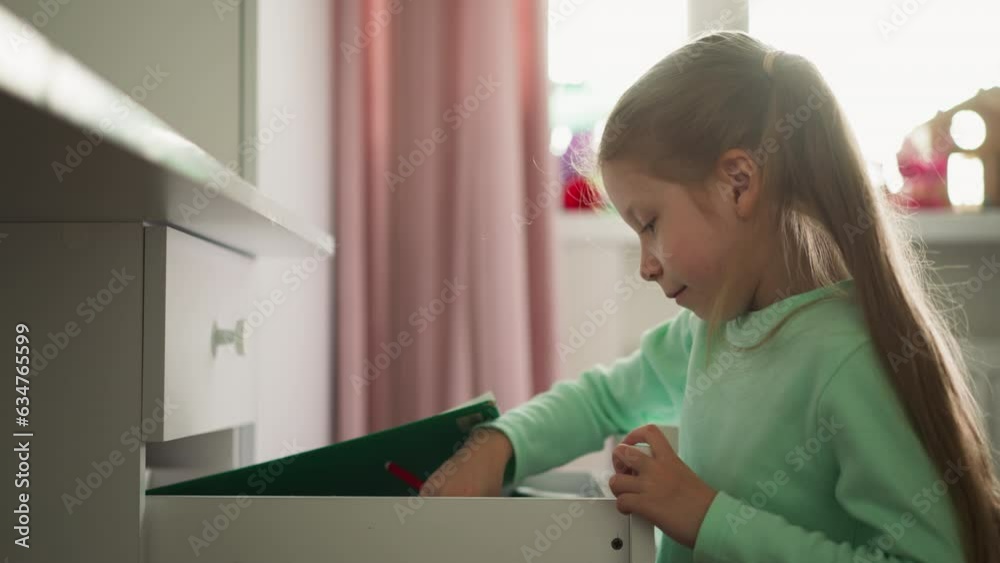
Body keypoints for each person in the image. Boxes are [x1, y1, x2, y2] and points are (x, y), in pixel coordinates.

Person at [421, 31, 1000, 563]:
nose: (645, 265)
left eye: (650, 224)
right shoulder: (714, 330)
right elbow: (602, 399)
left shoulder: (849, 359)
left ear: (738, 183)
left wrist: (705, 517)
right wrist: (500, 444)